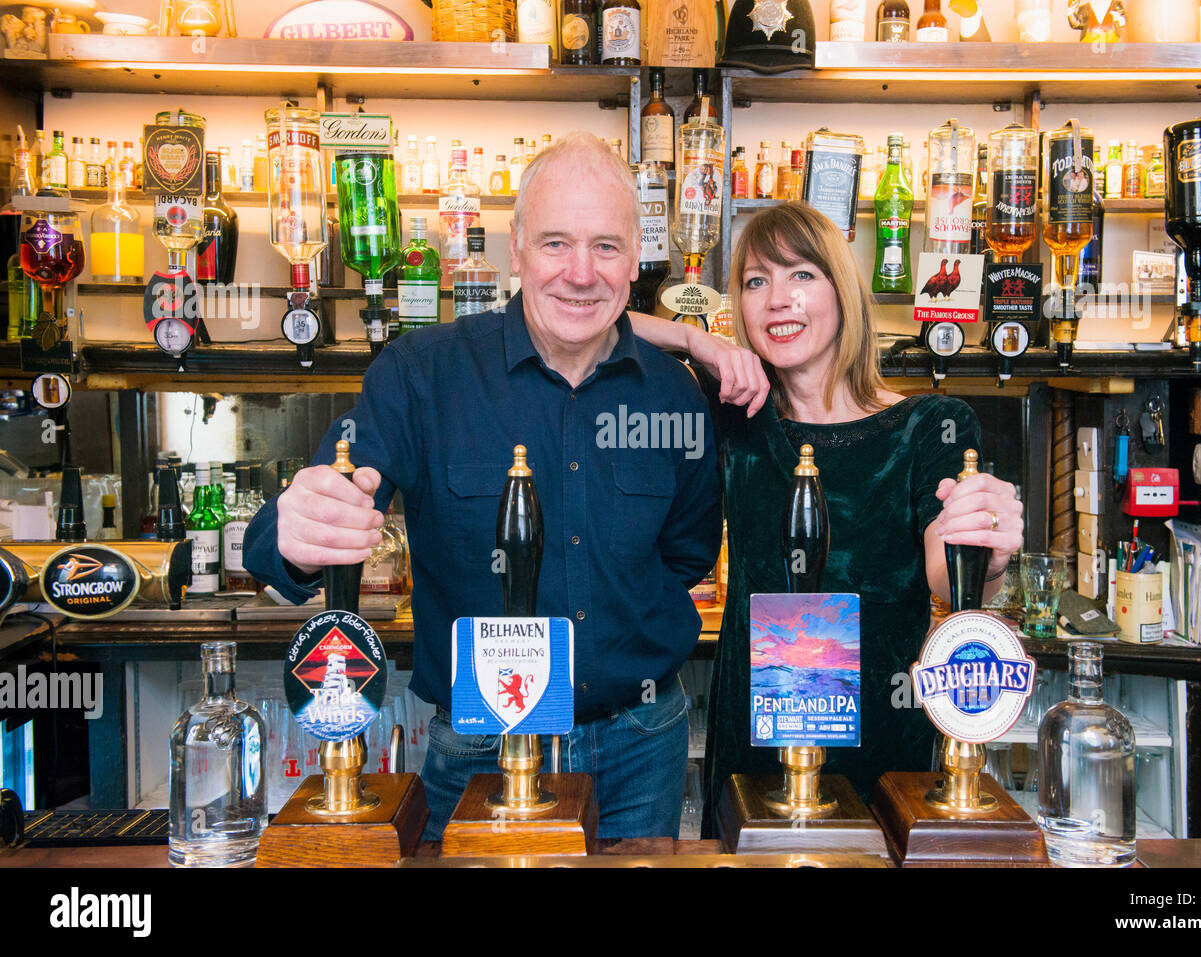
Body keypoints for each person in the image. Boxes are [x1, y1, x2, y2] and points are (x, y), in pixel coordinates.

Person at [242, 131, 761, 840]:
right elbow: (317, 510)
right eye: (555, 244)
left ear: (635, 258)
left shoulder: (676, 396)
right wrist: (298, 534)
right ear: (515, 249)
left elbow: (688, 554)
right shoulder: (421, 375)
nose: (581, 272)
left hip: (641, 743)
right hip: (480, 750)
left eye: (606, 247)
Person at [629, 202, 1025, 835]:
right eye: (756, 282)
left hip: (882, 727)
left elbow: (945, 575)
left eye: (802, 276)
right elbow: (599, 320)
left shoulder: (929, 426)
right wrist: (696, 338)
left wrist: (984, 551)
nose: (778, 300)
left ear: (842, 290)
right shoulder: (737, 412)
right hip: (758, 726)